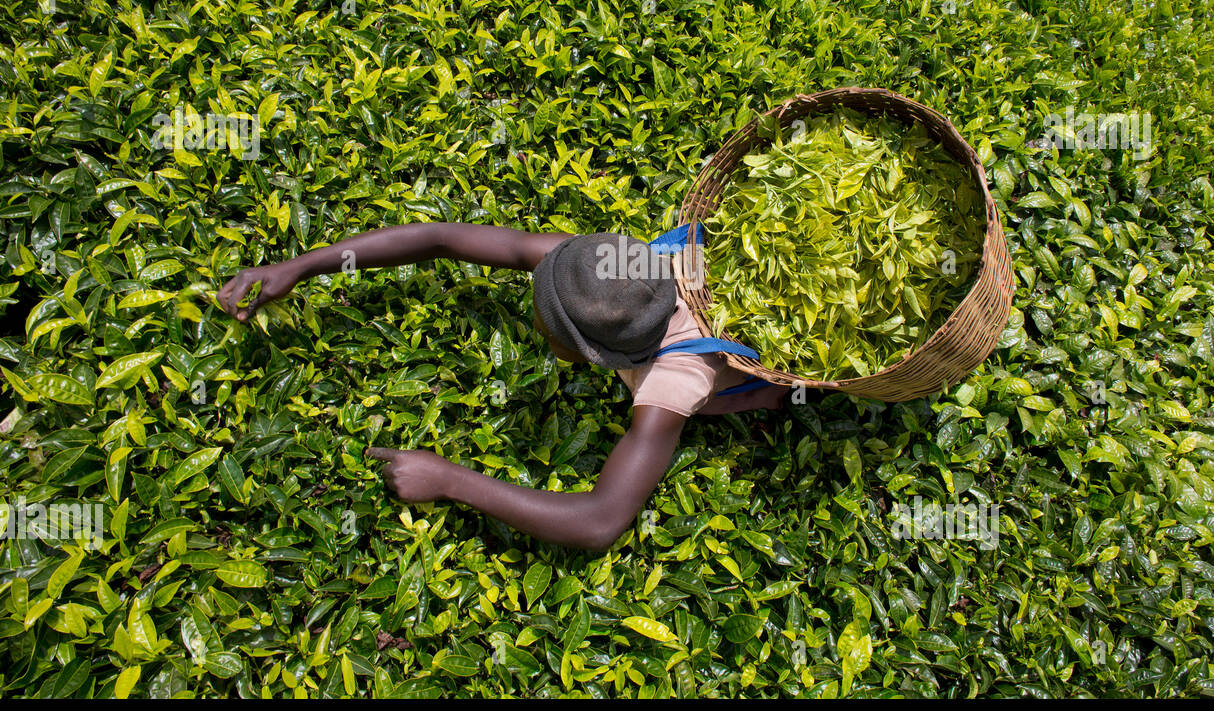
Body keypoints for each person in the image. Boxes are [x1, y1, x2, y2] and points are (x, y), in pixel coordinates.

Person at [216, 222, 791, 552]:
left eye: (546, 328)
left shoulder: (669, 385)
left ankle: (767, 395)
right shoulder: (604, 270)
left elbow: (600, 520)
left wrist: (448, 479)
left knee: (760, 393)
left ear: (598, 356)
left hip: (724, 367)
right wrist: (304, 266)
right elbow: (442, 238)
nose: (536, 321)